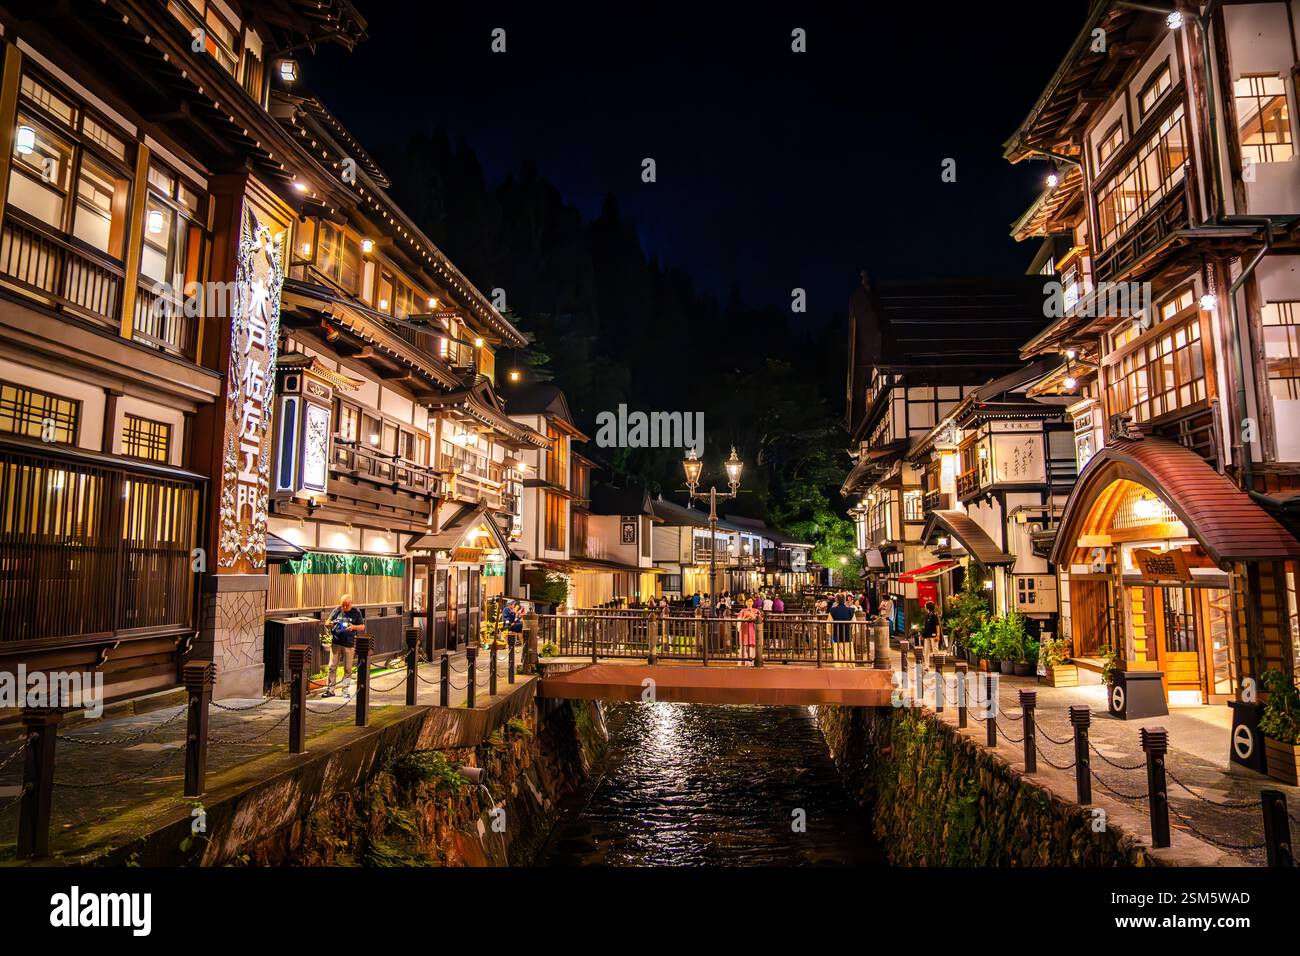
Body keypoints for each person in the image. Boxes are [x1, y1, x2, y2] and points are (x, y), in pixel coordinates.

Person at [324, 594, 366, 698]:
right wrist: (330, 624)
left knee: (347, 669)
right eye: (343, 605)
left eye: (346, 605)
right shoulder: (337, 610)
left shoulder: (356, 612)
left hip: (349, 644)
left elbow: (362, 627)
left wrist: (353, 627)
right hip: (336, 642)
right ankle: (330, 690)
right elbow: (327, 622)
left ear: (351, 603)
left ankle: (345, 690)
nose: (344, 607)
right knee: (332, 667)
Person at [828, 594, 856, 663]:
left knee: (838, 653)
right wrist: (852, 633)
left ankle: (839, 665)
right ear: (844, 600)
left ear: (836, 600)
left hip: (836, 635)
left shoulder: (832, 611)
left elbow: (829, 623)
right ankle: (849, 664)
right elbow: (854, 624)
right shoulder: (851, 610)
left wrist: (830, 633)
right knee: (848, 652)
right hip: (847, 635)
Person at [737, 597, 760, 663]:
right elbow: (739, 621)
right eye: (747, 601)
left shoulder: (756, 611)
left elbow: (759, 621)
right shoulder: (742, 611)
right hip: (744, 630)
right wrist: (745, 617)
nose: (749, 603)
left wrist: (751, 616)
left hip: (752, 630)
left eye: (750, 601)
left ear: (753, 602)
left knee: (752, 646)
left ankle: (751, 661)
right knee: (744, 646)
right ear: (745, 602)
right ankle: (744, 661)